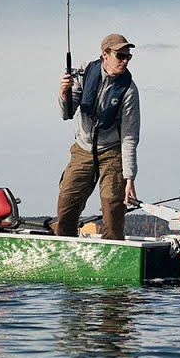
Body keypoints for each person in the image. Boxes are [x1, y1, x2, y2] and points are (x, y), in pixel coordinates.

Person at [54, 33, 140, 240]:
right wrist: (63, 92)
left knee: (113, 208)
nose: (125, 61)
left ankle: (113, 253)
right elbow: (67, 113)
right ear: (105, 55)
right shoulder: (85, 72)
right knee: (66, 207)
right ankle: (64, 250)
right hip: (82, 149)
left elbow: (129, 136)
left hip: (112, 153)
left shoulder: (129, 89)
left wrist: (129, 177)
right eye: (120, 56)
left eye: (128, 57)